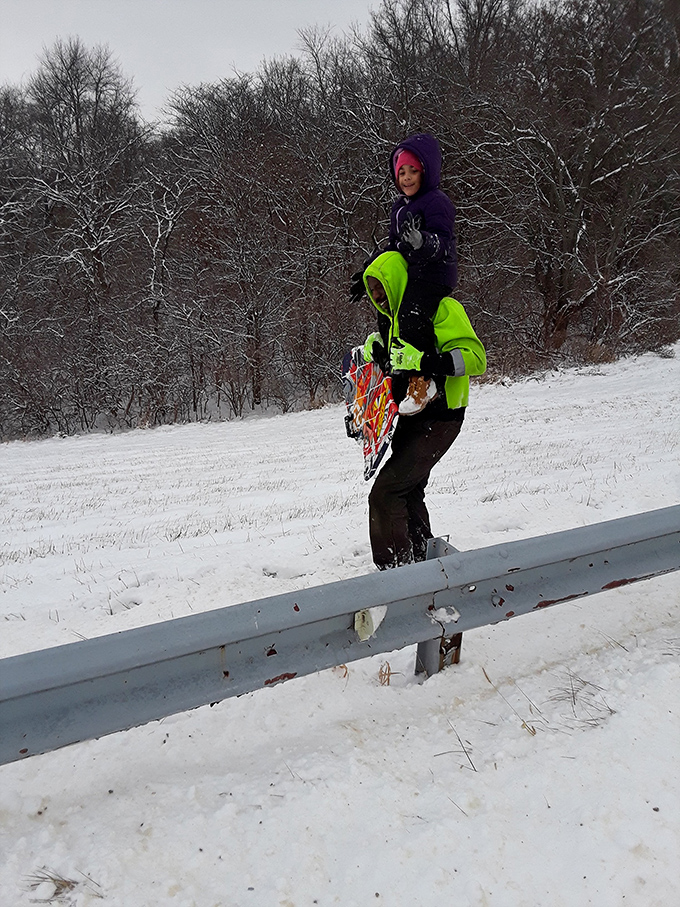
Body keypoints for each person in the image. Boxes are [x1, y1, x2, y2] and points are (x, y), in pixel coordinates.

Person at [361, 251, 486, 571]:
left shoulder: (442, 309)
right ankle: (422, 564)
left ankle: (397, 575)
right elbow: (394, 360)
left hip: (441, 417)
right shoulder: (392, 321)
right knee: (409, 490)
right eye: (372, 290)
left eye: (381, 287)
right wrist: (377, 352)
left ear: (397, 282)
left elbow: (475, 359)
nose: (377, 296)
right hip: (408, 418)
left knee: (386, 494)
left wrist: (426, 363)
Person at [351, 132, 457, 413]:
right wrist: (368, 274)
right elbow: (392, 248)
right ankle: (394, 375)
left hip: (434, 274)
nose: (407, 177)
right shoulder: (399, 208)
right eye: (401, 171)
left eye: (413, 170)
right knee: (387, 317)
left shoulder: (437, 202)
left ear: (427, 171)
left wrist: (423, 242)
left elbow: (444, 243)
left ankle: (424, 381)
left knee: (410, 316)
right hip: (410, 276)